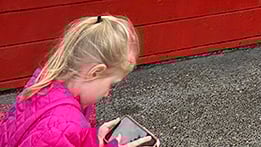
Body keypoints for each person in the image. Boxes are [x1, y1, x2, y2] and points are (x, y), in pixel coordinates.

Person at [0, 14, 157, 147]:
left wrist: (91, 138)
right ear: (95, 73)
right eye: (110, 84)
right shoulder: (66, 123)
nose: (107, 93)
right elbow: (59, 134)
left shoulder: (44, 83)